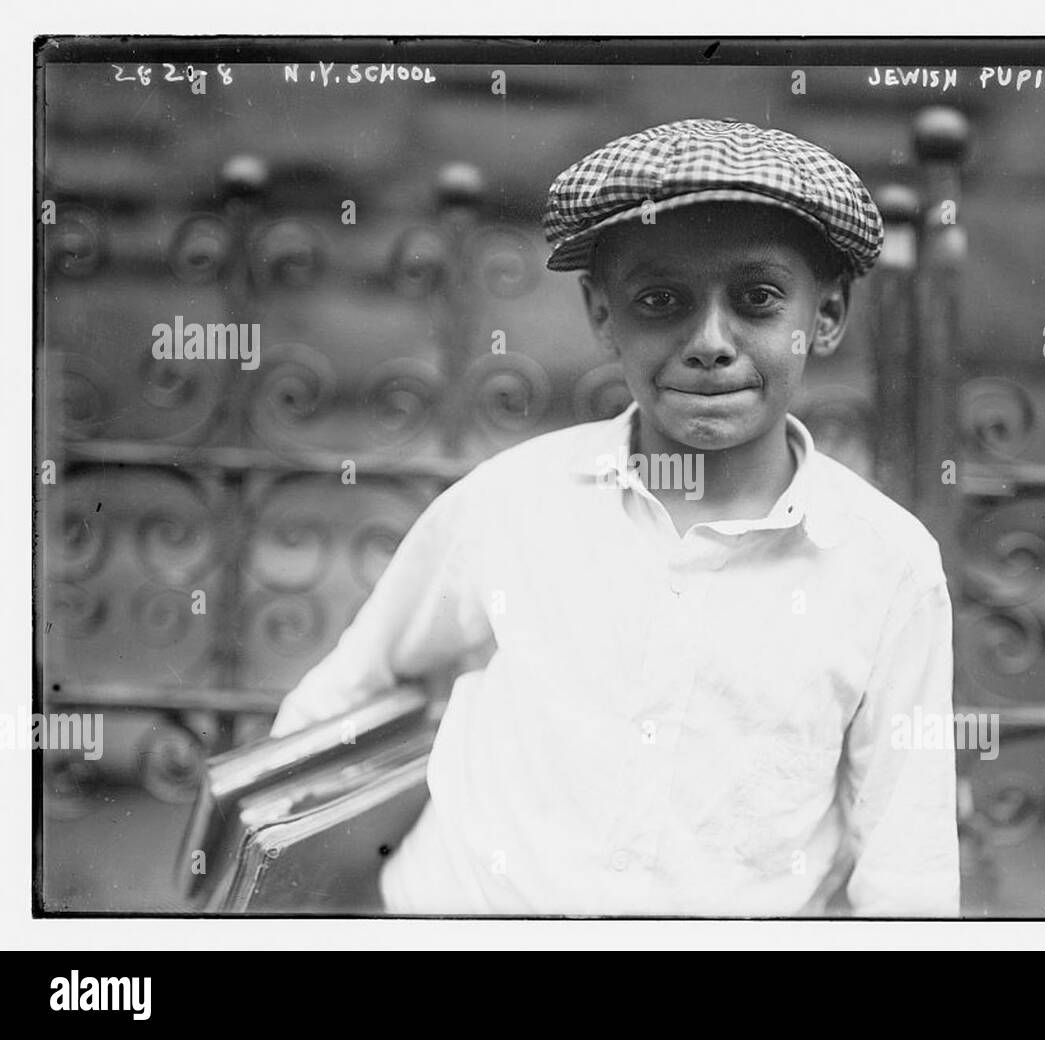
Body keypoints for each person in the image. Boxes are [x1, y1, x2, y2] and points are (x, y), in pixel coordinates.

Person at [270, 118, 959, 917]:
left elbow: (905, 860)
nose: (710, 342)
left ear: (829, 315)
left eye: (758, 299)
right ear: (603, 315)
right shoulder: (513, 504)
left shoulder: (885, 566)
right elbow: (346, 694)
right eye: (660, 300)